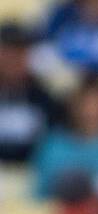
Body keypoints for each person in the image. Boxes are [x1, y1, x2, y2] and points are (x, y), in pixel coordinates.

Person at [33, 73, 98, 201]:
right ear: (73, 108)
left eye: (97, 105)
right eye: (86, 105)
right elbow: (42, 190)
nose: (91, 112)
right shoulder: (54, 145)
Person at [0, 22, 61, 165]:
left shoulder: (44, 99)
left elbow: (51, 145)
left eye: (20, 52)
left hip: (31, 173)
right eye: (7, 52)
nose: (13, 60)